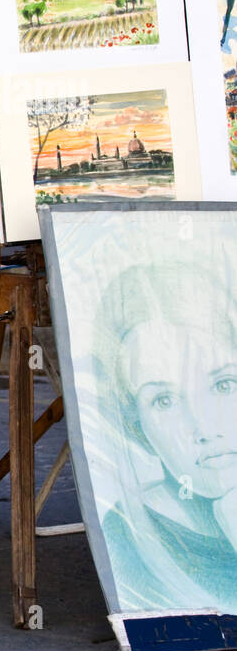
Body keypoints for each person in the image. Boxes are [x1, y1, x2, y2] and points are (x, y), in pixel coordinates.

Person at [91, 259, 237, 613]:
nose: (203, 428)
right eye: (164, 400)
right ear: (135, 423)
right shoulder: (131, 539)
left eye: (222, 385)